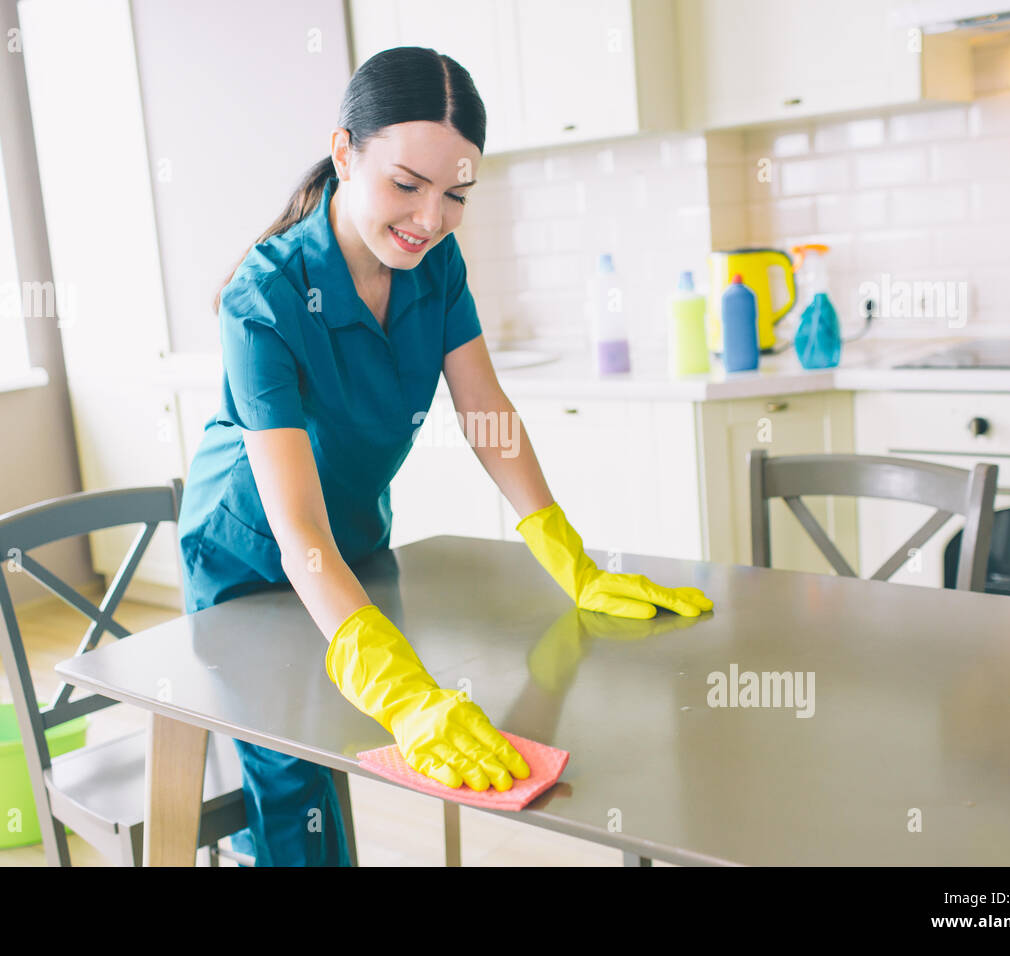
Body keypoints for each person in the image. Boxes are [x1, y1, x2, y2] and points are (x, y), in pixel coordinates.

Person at [177, 46, 714, 868]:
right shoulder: (265, 296)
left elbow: (486, 414)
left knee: (352, 741)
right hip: (249, 553)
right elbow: (294, 528)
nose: (430, 218)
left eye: (456, 194)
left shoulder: (434, 266)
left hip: (349, 532)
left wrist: (567, 555)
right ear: (345, 151)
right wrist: (403, 690)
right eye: (406, 185)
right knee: (291, 770)